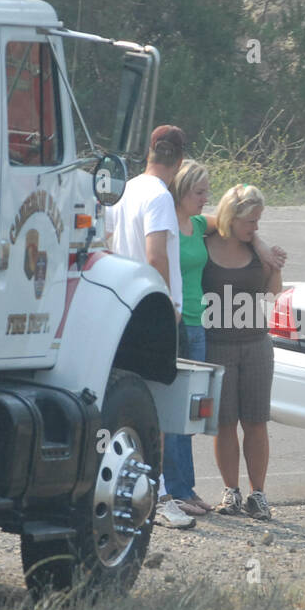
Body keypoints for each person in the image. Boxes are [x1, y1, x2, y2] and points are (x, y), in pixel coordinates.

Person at [105, 125, 193, 528]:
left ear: (149, 154)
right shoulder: (159, 196)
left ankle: (130, 489)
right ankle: (155, 497)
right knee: (155, 409)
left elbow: (106, 244)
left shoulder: (127, 189)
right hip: (151, 312)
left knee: (126, 404)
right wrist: (168, 309)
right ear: (179, 160)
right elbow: (157, 256)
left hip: (120, 306)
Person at [203, 184, 282, 521]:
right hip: (216, 345)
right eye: (250, 221)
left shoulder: (257, 251)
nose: (256, 227)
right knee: (224, 423)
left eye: (258, 220)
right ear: (231, 217)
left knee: (255, 422)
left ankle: (258, 494)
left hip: (255, 345)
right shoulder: (204, 244)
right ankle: (231, 492)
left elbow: (272, 297)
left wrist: (275, 266)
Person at [161, 159, 213, 516]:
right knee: (175, 414)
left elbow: (231, 218)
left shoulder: (196, 224)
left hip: (199, 326)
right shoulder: (167, 226)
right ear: (181, 191)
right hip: (176, 324)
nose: (205, 198)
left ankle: (187, 488)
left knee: (192, 416)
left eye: (207, 191)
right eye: (199, 192)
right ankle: (176, 491)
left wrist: (259, 240)